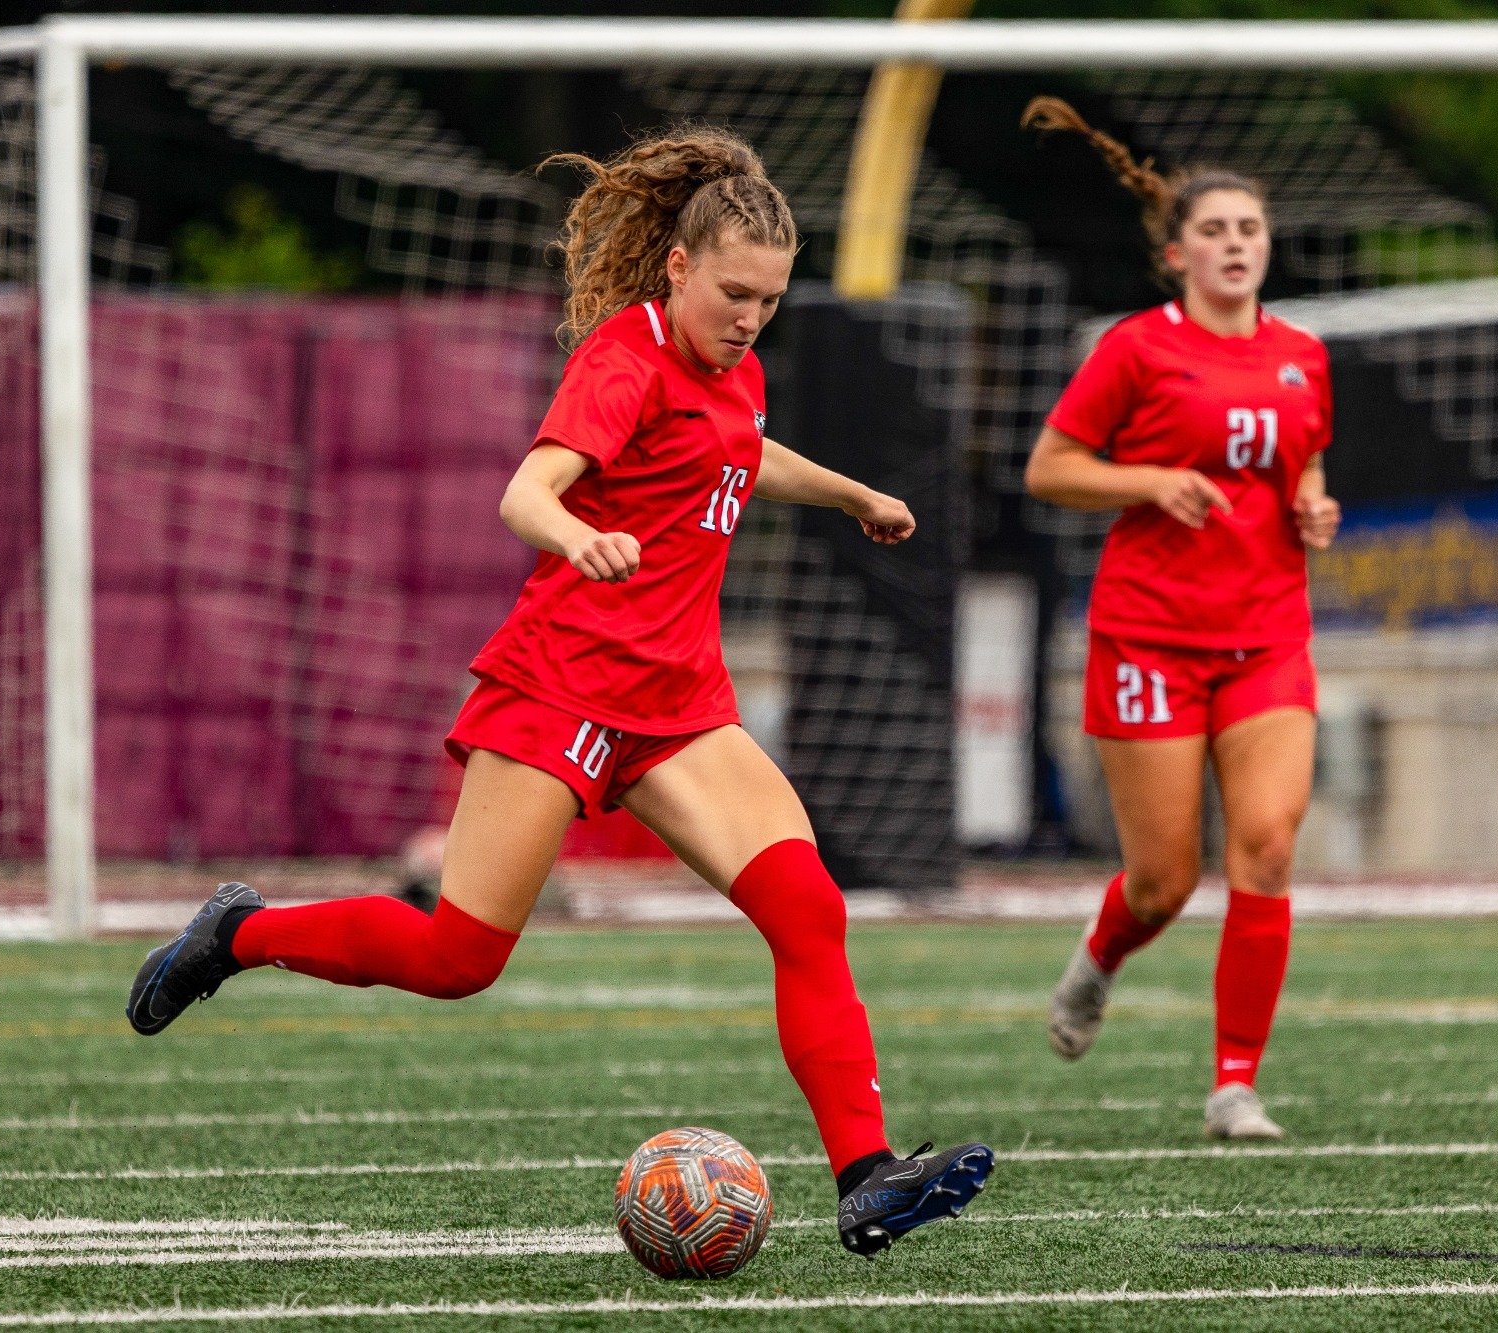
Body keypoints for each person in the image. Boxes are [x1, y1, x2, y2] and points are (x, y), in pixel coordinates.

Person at [125, 125, 993, 1254]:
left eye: (769, 303)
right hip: (561, 688)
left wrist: (848, 494)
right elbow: (526, 491)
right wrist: (575, 536)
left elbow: (739, 451)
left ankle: (866, 1176)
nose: (749, 319)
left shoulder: (735, 361)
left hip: (677, 704)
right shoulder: (622, 361)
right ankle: (239, 933)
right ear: (678, 267)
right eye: (733, 294)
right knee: (456, 960)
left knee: (806, 908)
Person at [1020, 98, 1342, 1141]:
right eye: (1212, 230)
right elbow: (1050, 470)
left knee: (1267, 844)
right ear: (1175, 254)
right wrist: (1149, 481)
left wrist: (1312, 503)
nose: (1233, 244)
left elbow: (1303, 462)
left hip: (1266, 636)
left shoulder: (1303, 353)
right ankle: (1098, 959)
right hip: (1150, 637)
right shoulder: (1135, 349)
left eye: (1247, 229)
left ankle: (1232, 1085)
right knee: (1161, 879)